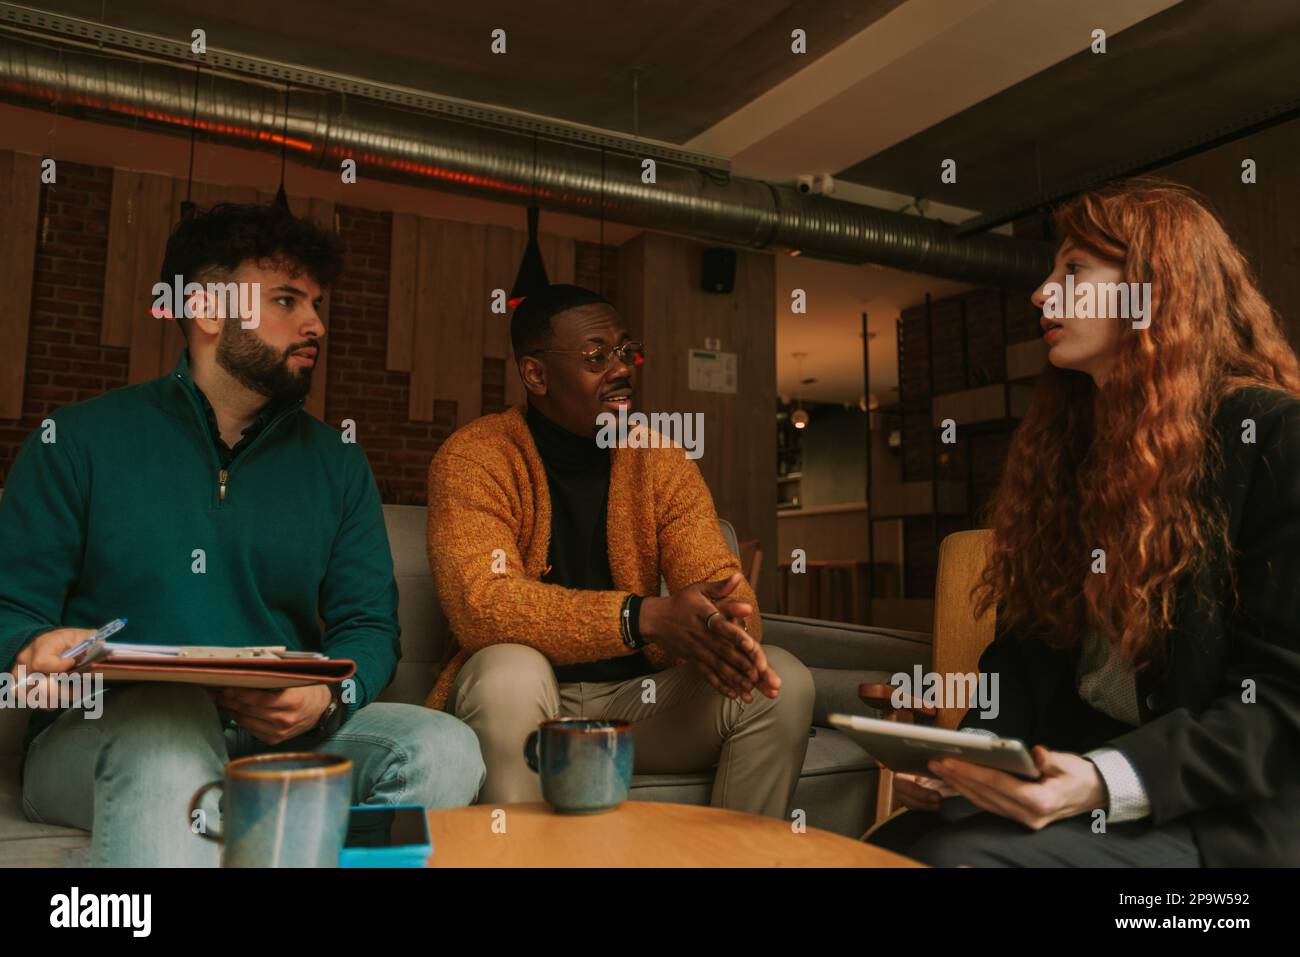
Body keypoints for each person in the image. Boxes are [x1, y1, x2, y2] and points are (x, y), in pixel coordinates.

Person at [0, 202, 484, 867]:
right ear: (205, 311)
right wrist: (32, 645)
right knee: (171, 726)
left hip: (277, 739)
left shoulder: (337, 464)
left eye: (315, 302)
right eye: (287, 299)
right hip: (101, 732)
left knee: (442, 745)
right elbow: (11, 611)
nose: (314, 322)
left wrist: (327, 695)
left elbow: (369, 627)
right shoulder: (76, 442)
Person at [867, 177, 1300, 866]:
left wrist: (1101, 781)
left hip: (1217, 823)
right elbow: (1019, 656)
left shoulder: (1276, 437)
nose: (1042, 293)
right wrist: (974, 768)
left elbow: (1282, 705)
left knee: (958, 859)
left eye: (1073, 270)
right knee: (867, 852)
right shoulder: (1070, 453)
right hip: (1080, 799)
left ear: (1155, 286)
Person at [424, 283, 814, 818]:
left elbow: (721, 582)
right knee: (510, 672)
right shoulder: (475, 456)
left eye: (625, 351)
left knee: (785, 680)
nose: (622, 368)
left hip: (638, 704)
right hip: (528, 702)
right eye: (596, 356)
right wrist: (639, 617)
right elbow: (482, 607)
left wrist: (722, 625)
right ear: (536, 374)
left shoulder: (660, 458)